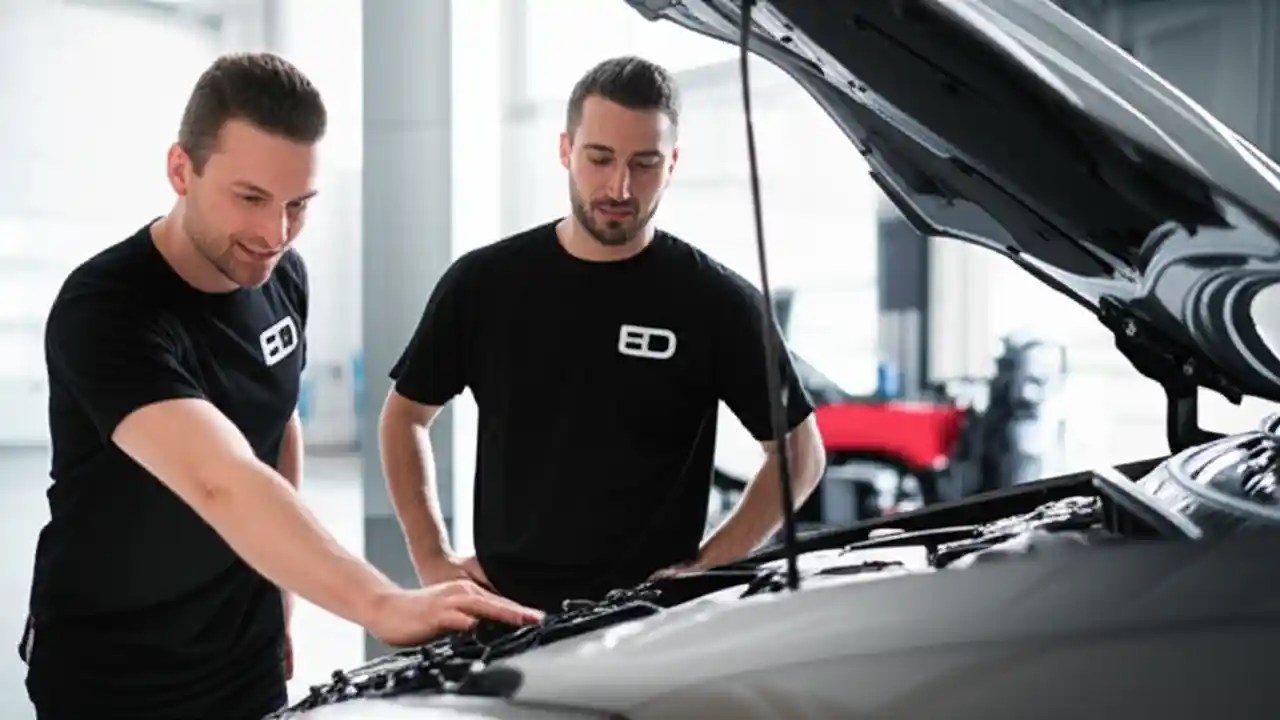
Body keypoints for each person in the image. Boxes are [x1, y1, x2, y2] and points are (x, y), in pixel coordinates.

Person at [18, 51, 541, 720]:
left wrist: (283, 596)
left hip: (244, 656)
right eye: (250, 198)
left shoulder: (281, 276)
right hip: (114, 671)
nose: (275, 233)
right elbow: (223, 477)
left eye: (299, 204)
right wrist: (379, 601)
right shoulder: (107, 307)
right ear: (181, 170)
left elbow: (276, 423)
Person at [379, 56, 827, 613]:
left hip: (652, 618)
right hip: (506, 613)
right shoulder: (484, 284)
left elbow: (800, 452)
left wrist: (711, 563)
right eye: (600, 158)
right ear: (566, 150)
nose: (620, 185)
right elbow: (404, 417)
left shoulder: (716, 302)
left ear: (673, 164)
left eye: (645, 163)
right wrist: (433, 561)